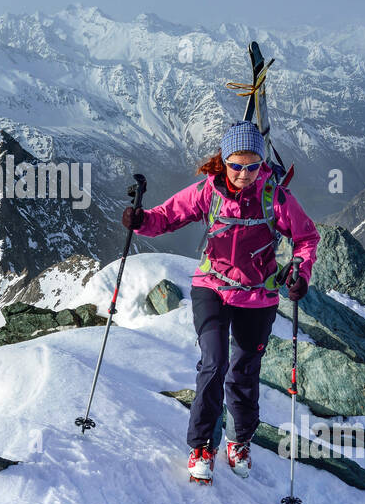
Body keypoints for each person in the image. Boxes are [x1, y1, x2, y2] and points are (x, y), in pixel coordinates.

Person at [122, 121, 319, 482]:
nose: (244, 174)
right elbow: (166, 217)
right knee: (214, 363)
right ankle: (201, 446)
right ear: (223, 161)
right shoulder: (208, 192)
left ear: (262, 163)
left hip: (258, 295)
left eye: (252, 166)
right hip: (211, 286)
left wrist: (301, 273)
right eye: (236, 165)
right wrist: (140, 221)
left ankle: (239, 440)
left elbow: (307, 238)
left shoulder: (276, 197)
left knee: (244, 370)